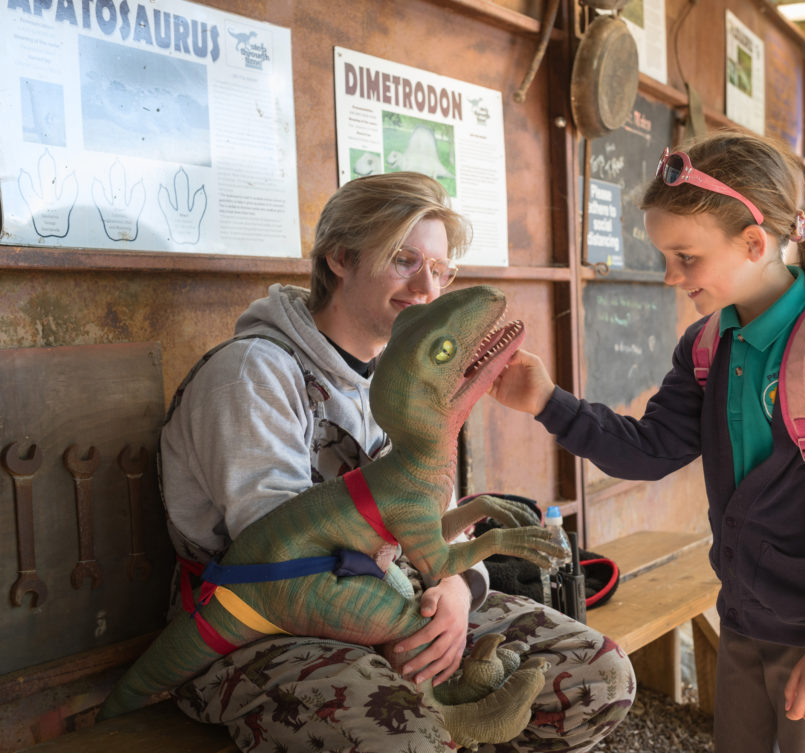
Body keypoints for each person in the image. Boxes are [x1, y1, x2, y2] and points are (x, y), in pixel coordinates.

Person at [159, 172, 635, 753]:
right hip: (260, 632)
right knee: (404, 736)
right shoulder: (254, 375)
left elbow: (440, 514)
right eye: (405, 261)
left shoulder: (402, 371)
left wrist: (458, 591)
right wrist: (410, 631)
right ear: (340, 257)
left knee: (595, 676)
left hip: (400, 599)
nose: (428, 288)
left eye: (441, 269)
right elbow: (283, 561)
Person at [490, 132, 805, 753]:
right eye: (665, 255)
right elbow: (651, 449)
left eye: (685, 256)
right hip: (742, 612)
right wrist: (550, 403)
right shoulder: (710, 345)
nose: (669, 276)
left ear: (755, 243)